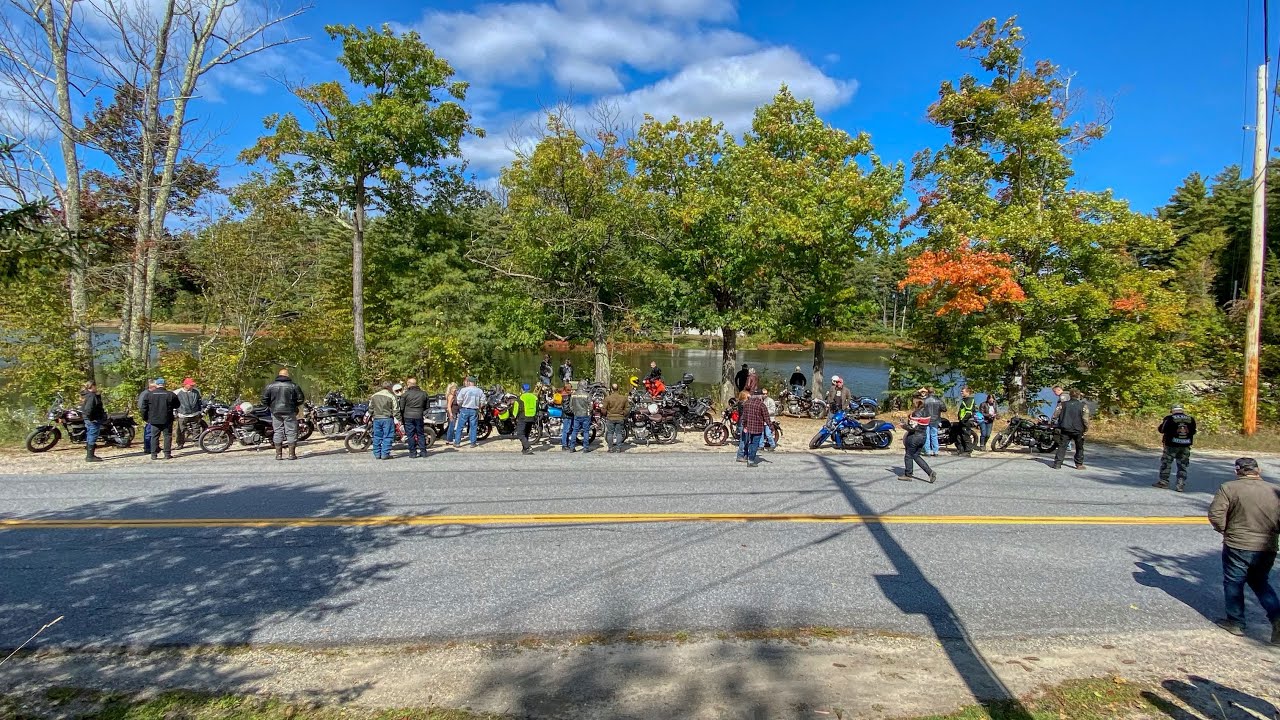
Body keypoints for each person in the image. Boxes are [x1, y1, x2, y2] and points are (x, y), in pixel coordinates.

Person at [1207, 458, 1280, 643]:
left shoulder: (1229, 488)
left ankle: (1236, 622)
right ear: (1258, 470)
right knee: (1260, 582)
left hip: (1238, 543)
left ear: (1237, 471)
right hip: (1267, 546)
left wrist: (1225, 530)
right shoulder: (1275, 490)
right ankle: (1277, 619)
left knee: (1234, 581)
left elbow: (1215, 514)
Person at [261, 368, 305, 461]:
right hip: (290, 411)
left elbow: (264, 399)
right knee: (291, 431)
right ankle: (291, 454)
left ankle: (278, 455)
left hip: (275, 412)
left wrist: (271, 406)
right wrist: (294, 405)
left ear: (279, 375)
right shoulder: (293, 386)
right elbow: (301, 399)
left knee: (278, 431)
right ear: (287, 375)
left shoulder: (270, 386)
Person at [1153, 404, 1197, 492]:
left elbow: (1162, 430)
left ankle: (1163, 482)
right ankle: (1180, 483)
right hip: (1185, 445)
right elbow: (1193, 431)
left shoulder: (1169, 418)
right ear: (1182, 410)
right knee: (1183, 465)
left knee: (1166, 463)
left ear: (1172, 411)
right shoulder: (1191, 419)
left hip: (1171, 445)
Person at [901, 399, 936, 483]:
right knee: (916, 455)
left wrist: (903, 425)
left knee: (908, 456)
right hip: (923, 436)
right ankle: (930, 472)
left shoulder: (916, 413)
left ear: (916, 405)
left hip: (914, 437)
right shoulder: (927, 413)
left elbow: (912, 428)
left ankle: (908, 474)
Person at [1052, 389, 1089, 470]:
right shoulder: (1083, 405)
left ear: (1070, 395)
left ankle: (1057, 464)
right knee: (1079, 447)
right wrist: (1086, 428)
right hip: (1078, 429)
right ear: (1078, 395)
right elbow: (1085, 419)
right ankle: (1079, 464)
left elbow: (1055, 415)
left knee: (1062, 446)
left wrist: (1054, 424)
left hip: (1065, 428)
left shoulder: (1062, 404)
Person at [144, 378, 178, 460]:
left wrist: (145, 417)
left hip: (154, 419)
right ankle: (167, 454)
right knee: (167, 436)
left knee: (154, 436)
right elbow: (177, 405)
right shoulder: (170, 394)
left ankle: (153, 454)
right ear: (164, 384)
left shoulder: (149, 394)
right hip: (167, 418)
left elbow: (144, 407)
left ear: (156, 385)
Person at [399, 378, 429, 459]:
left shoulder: (405, 395)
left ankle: (412, 453)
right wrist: (422, 412)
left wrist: (402, 417)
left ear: (408, 384)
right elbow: (427, 407)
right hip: (419, 415)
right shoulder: (423, 394)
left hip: (408, 416)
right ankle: (423, 452)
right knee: (420, 434)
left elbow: (401, 408)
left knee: (410, 435)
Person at [367, 382, 398, 460]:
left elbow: (370, 408)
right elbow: (395, 410)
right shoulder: (392, 396)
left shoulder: (374, 396)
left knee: (377, 436)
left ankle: (377, 454)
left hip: (376, 419)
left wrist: (370, 416)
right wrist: (399, 419)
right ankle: (385, 454)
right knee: (388, 436)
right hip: (387, 419)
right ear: (390, 387)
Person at [739, 388, 769, 468]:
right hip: (757, 428)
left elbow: (744, 417)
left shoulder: (747, 403)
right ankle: (751, 460)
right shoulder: (761, 405)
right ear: (760, 396)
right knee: (755, 444)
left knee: (750, 442)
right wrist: (771, 427)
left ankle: (747, 456)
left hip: (749, 427)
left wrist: (744, 425)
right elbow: (766, 418)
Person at [454, 377, 485, 449]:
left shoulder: (464, 390)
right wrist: (479, 407)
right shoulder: (479, 391)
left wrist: (461, 405)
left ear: (469, 382)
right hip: (474, 410)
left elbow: (459, 400)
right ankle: (473, 443)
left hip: (465, 409)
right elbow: (483, 401)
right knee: (473, 427)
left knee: (460, 427)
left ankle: (457, 442)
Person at [174, 377, 203, 450]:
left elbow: (199, 402)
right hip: (182, 414)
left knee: (196, 428)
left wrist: (200, 411)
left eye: (193, 385)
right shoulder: (177, 392)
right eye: (191, 385)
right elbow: (173, 404)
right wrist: (175, 413)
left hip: (195, 413)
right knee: (181, 430)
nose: (192, 386)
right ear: (185, 385)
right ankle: (180, 443)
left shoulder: (196, 391)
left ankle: (197, 441)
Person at [80, 381, 106, 463]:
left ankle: (90, 455)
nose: (96, 388)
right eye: (95, 386)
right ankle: (90, 456)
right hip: (93, 419)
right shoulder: (91, 396)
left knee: (90, 435)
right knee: (92, 435)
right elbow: (88, 409)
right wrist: (92, 418)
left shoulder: (86, 395)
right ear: (93, 386)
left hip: (88, 419)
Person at [602, 383, 628, 453]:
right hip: (620, 417)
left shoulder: (608, 398)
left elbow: (603, 409)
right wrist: (624, 413)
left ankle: (610, 448)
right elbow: (627, 408)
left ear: (611, 389)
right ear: (618, 389)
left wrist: (605, 414)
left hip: (610, 417)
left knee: (610, 433)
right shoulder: (623, 398)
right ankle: (618, 448)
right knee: (619, 433)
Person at [569, 380, 593, 452]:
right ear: (583, 386)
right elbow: (591, 406)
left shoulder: (573, 395)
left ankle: (572, 447)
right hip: (585, 415)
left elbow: (571, 406)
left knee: (574, 431)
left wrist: (574, 412)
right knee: (586, 431)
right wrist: (589, 413)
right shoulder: (587, 395)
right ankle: (585, 448)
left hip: (577, 415)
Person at [515, 382, 539, 455]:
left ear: (522, 389)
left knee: (520, 434)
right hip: (532, 418)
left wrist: (514, 416)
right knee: (526, 433)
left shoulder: (520, 398)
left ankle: (528, 447)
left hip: (523, 417)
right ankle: (525, 449)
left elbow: (516, 409)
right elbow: (537, 408)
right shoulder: (535, 397)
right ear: (529, 389)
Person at [922, 387, 944, 457]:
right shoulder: (938, 400)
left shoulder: (924, 400)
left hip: (926, 419)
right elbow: (944, 409)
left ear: (928, 392)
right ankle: (935, 451)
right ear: (934, 392)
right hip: (935, 419)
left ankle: (927, 451)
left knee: (927, 435)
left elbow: (920, 409)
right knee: (934, 435)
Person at [955, 387, 977, 456]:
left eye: (963, 391)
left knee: (966, 436)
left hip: (967, 421)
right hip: (962, 421)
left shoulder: (970, 400)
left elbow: (968, 412)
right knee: (959, 436)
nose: (961, 392)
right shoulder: (965, 400)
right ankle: (961, 450)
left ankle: (968, 451)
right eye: (961, 391)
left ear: (968, 392)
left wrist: (963, 420)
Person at [137, 380, 155, 456]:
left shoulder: (150, 393)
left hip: (152, 415)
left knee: (152, 432)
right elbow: (141, 406)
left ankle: (153, 446)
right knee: (148, 432)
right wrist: (145, 416)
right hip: (148, 416)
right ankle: (147, 448)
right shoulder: (145, 394)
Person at [558, 383, 576, 450]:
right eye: (571, 388)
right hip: (567, 416)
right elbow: (566, 409)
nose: (572, 389)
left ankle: (566, 444)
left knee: (567, 430)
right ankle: (564, 445)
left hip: (567, 416)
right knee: (566, 430)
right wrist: (573, 412)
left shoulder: (566, 395)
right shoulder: (566, 396)